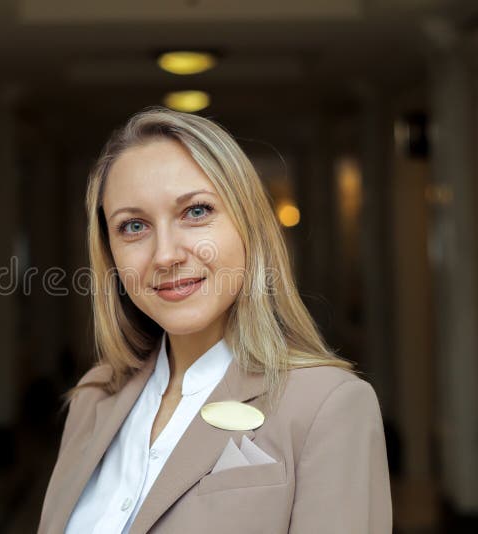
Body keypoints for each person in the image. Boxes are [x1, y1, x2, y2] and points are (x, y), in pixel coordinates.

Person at [37, 106, 392, 534]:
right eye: (133, 226)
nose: (165, 255)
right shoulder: (94, 397)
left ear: (248, 225)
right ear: (109, 252)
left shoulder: (328, 406)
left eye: (196, 212)